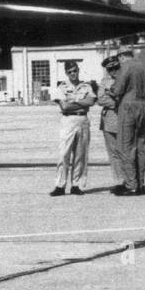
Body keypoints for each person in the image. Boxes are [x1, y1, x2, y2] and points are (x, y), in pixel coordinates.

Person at [50, 61, 95, 196]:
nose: (73, 74)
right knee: (64, 154)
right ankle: (60, 185)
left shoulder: (86, 86)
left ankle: (76, 185)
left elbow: (91, 101)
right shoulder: (62, 87)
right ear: (66, 73)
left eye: (74, 71)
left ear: (78, 70)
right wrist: (82, 103)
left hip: (83, 120)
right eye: (70, 72)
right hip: (68, 121)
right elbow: (64, 107)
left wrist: (73, 103)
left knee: (80, 155)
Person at [111, 48, 145, 195]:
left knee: (125, 146)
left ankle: (130, 184)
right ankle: (141, 184)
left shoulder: (125, 67)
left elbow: (117, 90)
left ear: (122, 56)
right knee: (141, 147)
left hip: (128, 106)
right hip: (144, 106)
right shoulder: (144, 67)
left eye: (119, 58)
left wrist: (112, 89)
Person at [97, 55, 124, 190]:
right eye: (110, 69)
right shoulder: (104, 81)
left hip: (124, 120)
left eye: (115, 67)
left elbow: (126, 97)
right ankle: (119, 181)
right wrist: (116, 102)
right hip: (108, 121)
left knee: (125, 152)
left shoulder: (125, 78)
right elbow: (100, 99)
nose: (113, 71)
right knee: (113, 153)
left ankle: (130, 180)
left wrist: (113, 99)